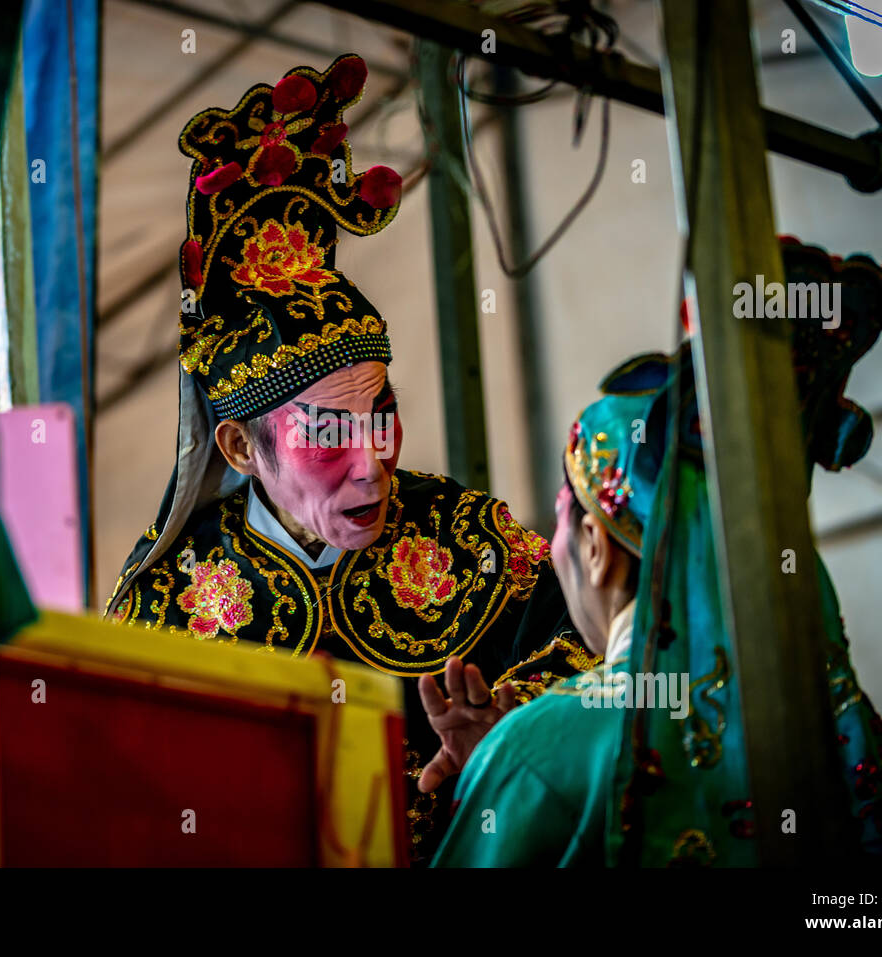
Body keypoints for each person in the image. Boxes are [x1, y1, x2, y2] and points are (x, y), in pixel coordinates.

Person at [102, 54, 586, 861]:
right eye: (327, 432)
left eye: (381, 416)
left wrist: (513, 742)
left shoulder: (472, 542)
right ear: (238, 446)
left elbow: (599, 667)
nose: (372, 464)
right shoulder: (166, 606)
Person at [429, 238, 882, 867]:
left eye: (565, 518)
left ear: (598, 548)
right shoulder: (838, 739)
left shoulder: (545, 751)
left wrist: (510, 766)